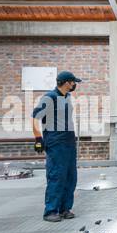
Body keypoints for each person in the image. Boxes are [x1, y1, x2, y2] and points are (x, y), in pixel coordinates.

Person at [33, 70, 82, 223]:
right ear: (67, 82)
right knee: (56, 176)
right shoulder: (49, 97)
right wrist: (38, 139)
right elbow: (35, 118)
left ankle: (64, 208)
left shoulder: (67, 97)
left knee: (70, 176)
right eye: (73, 82)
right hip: (55, 142)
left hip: (68, 141)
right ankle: (50, 211)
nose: (74, 85)